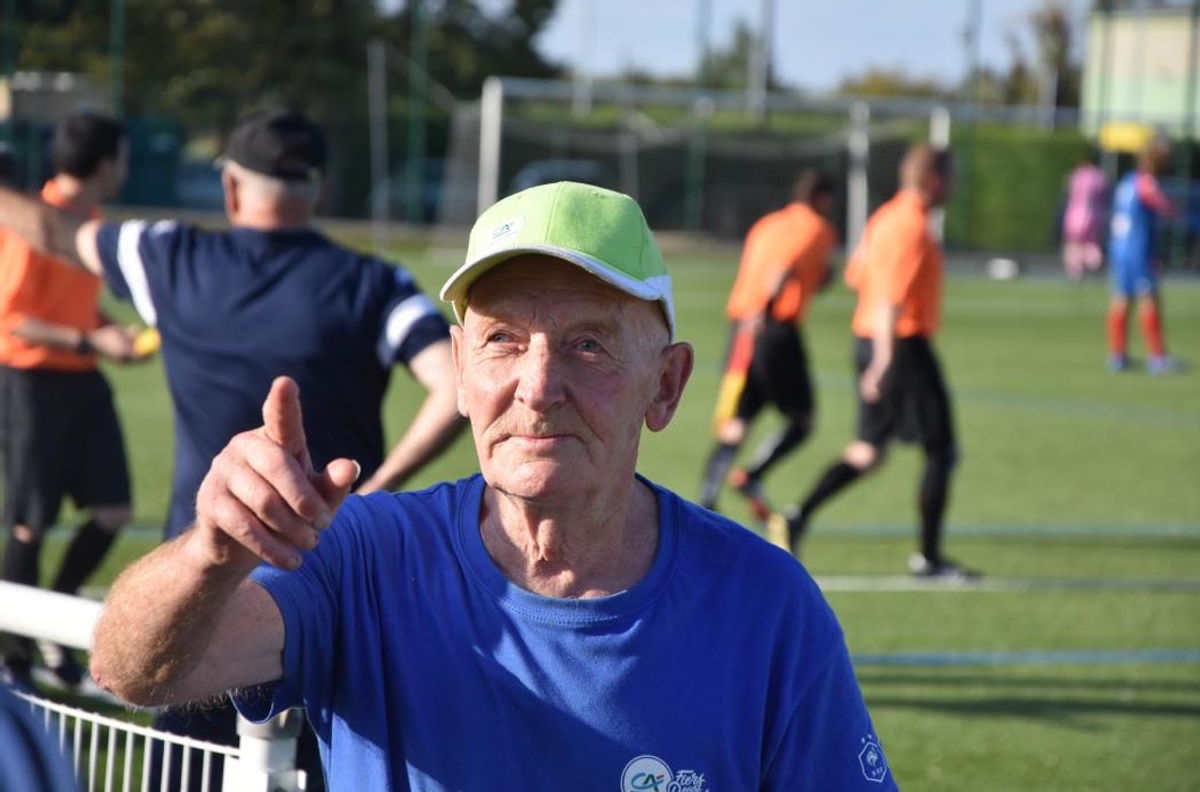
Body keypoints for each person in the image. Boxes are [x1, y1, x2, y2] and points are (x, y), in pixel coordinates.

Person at [89, 181, 897, 790]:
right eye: (503, 340)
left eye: (587, 344)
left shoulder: (766, 607)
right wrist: (209, 555)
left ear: (666, 386)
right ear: (463, 369)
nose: (537, 386)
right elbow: (135, 670)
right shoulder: (365, 557)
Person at [0, 108, 464, 788]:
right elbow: (453, 387)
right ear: (321, 190)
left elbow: (51, 228)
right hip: (341, 600)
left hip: (197, 602)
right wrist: (376, 485)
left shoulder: (170, 257)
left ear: (231, 188)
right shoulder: (375, 284)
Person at [773, 145, 973, 581]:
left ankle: (796, 516)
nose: (954, 187)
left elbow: (856, 273)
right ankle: (929, 558)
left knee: (868, 452)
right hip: (900, 345)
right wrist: (883, 362)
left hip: (872, 338)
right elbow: (889, 299)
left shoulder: (884, 217)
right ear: (935, 181)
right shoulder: (912, 226)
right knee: (942, 449)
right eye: (952, 178)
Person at [0, 112, 144, 691]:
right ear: (107, 162)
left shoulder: (90, 221)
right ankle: (13, 660)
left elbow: (77, 308)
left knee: (113, 511)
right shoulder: (34, 222)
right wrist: (91, 340)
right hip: (30, 383)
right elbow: (12, 318)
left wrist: (114, 334)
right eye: (124, 156)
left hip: (82, 380)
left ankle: (53, 626)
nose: (126, 167)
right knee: (31, 525)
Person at [698, 169, 837, 535]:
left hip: (741, 329)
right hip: (773, 329)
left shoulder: (768, 224)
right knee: (802, 420)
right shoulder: (817, 228)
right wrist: (766, 310)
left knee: (737, 421)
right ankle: (753, 475)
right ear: (823, 199)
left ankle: (707, 499)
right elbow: (781, 270)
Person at [1106, 141, 1182, 374]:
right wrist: (1175, 209)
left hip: (1119, 248)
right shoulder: (1146, 182)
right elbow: (1162, 204)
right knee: (1149, 298)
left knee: (1122, 299)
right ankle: (1157, 357)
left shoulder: (1127, 181)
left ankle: (1117, 356)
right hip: (1137, 249)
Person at [1061, 151, 1107, 282]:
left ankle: (1076, 271)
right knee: (1091, 243)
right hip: (1094, 214)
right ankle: (1094, 264)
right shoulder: (1099, 177)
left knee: (1074, 244)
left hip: (1075, 214)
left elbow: (1068, 192)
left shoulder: (1076, 175)